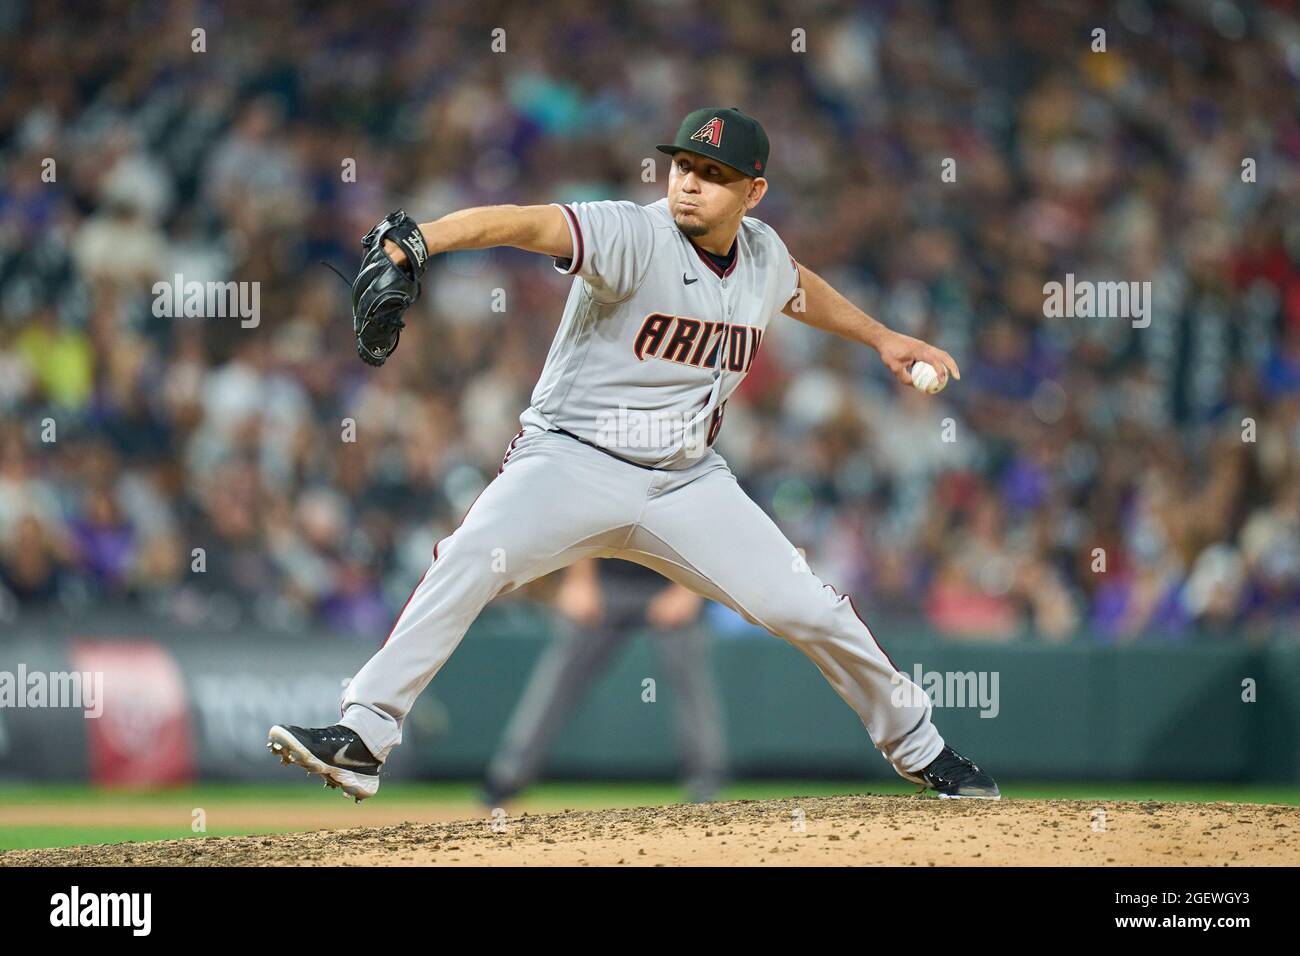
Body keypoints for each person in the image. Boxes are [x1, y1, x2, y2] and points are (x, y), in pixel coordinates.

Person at [269, 107, 999, 801]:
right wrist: (422, 238)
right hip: (571, 462)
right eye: (682, 164)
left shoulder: (764, 254)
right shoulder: (632, 234)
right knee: (468, 557)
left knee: (810, 607)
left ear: (754, 191)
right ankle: (364, 734)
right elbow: (529, 223)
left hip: (688, 486)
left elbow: (798, 289)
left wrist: (882, 338)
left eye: (711, 173)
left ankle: (921, 748)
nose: (688, 180)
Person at [482, 558, 726, 807]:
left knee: (690, 681)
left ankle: (705, 785)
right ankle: (506, 778)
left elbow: (696, 525)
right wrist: (580, 581)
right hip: (607, 581)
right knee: (559, 676)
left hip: (672, 580)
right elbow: (589, 522)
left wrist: (688, 590)